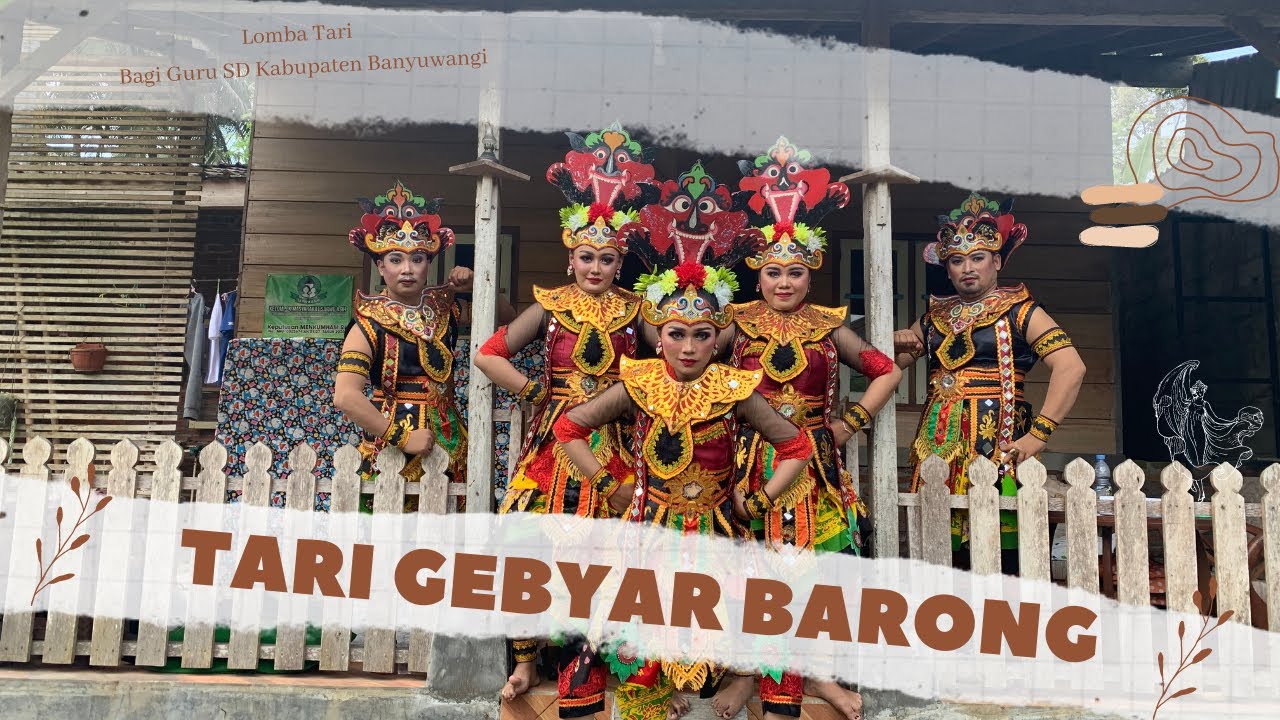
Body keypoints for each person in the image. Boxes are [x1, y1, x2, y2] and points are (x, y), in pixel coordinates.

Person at [553, 163, 814, 720]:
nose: (689, 348)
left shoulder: (735, 389)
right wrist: (609, 484)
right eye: (676, 334)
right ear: (659, 335)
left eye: (701, 335)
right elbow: (568, 428)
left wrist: (760, 500)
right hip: (650, 525)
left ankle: (741, 684)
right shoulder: (638, 383)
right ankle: (653, 695)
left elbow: (797, 447)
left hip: (718, 526)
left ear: (719, 338)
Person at [475, 124, 657, 716]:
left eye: (607, 258)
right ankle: (527, 659)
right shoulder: (551, 306)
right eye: (586, 257)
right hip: (555, 442)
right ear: (569, 256)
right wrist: (534, 391)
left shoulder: (637, 311)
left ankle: (604, 660)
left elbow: (679, 354)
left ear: (620, 261)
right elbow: (488, 354)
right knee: (526, 537)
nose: (595, 267)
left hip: (616, 439)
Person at [718, 137, 901, 720]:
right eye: (773, 272)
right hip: (748, 459)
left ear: (810, 275)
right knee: (748, 566)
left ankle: (816, 675)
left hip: (813, 463)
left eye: (795, 273)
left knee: (811, 572)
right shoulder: (735, 324)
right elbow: (687, 359)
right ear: (758, 277)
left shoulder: (828, 326)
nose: (784, 283)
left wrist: (851, 422)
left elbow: (886, 371)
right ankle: (746, 674)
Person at [893, 193, 1086, 573]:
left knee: (1002, 550)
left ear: (996, 261)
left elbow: (1070, 366)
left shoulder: (1020, 310)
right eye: (956, 260)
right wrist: (892, 343)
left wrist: (1038, 435)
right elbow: (890, 366)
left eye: (978, 258)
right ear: (947, 268)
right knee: (937, 549)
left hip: (997, 444)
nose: (967, 268)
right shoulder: (935, 317)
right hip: (938, 445)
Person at [333, 180, 514, 513]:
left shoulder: (443, 310)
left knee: (455, 526)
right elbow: (346, 396)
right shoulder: (368, 323)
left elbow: (505, 319)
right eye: (395, 259)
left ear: (428, 263)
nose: (407, 269)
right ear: (380, 266)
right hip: (392, 446)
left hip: (451, 438)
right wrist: (402, 437)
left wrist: (478, 284)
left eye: (417, 259)